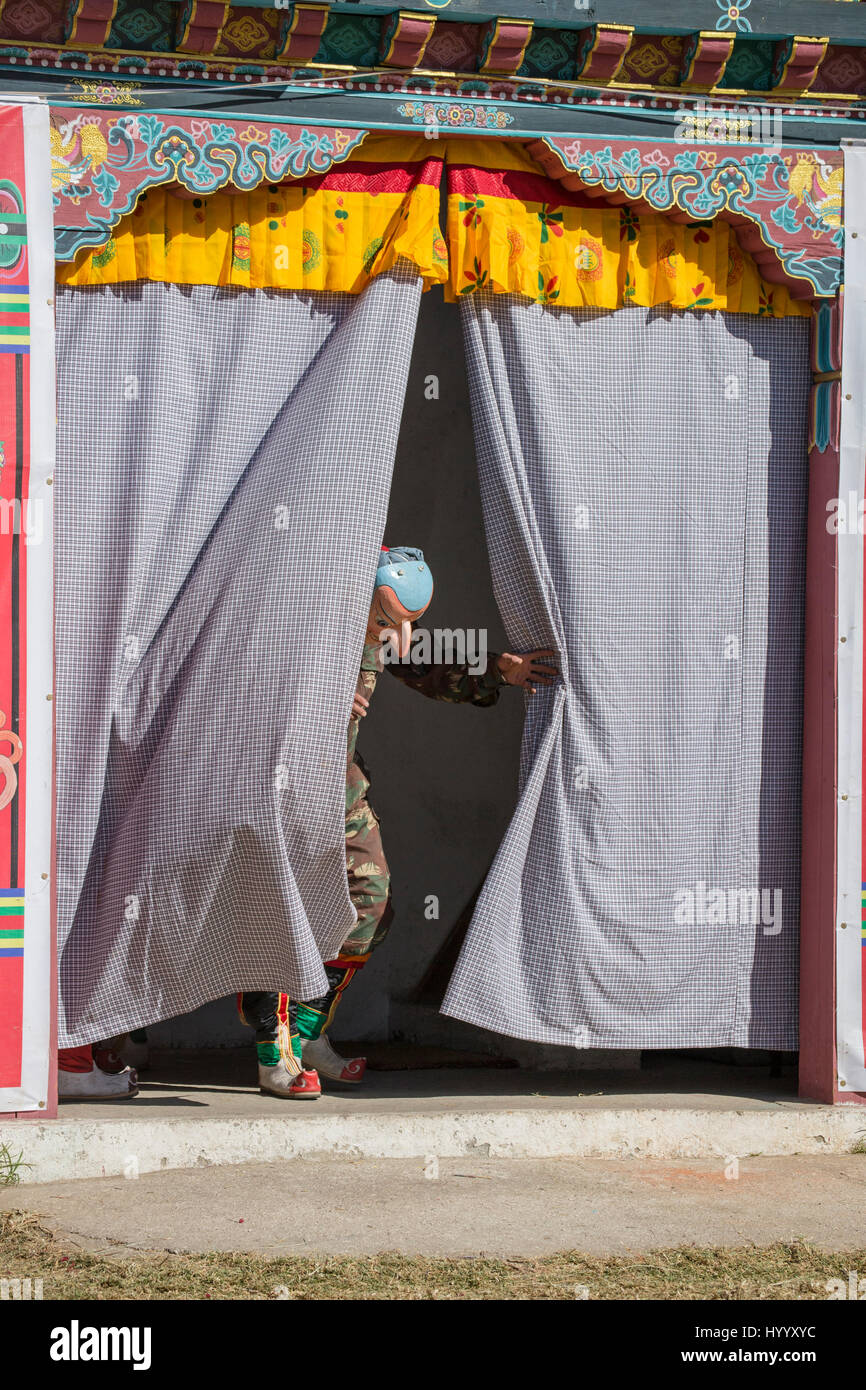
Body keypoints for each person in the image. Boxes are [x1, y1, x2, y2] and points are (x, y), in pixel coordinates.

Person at [241, 545, 557, 1099]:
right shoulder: (306, 614)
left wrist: (498, 673)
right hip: (277, 777)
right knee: (288, 908)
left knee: (371, 901)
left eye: (410, 624)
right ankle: (275, 1052)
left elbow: (426, 664)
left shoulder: (388, 626)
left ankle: (309, 1034)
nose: (401, 637)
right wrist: (317, 702)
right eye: (389, 622)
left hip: (337, 780)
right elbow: (247, 675)